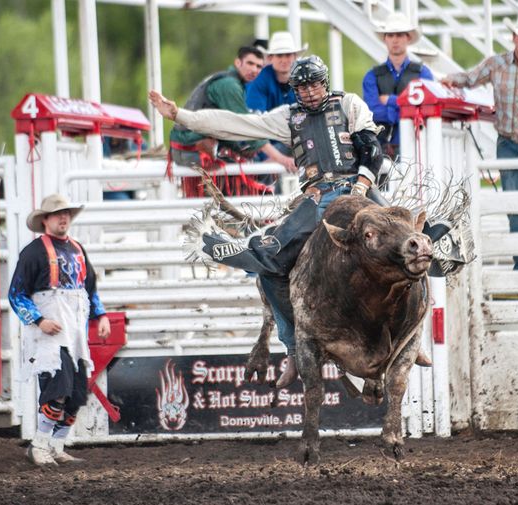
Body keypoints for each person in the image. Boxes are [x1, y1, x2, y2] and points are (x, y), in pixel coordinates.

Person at [150, 55, 433, 388]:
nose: (310, 92)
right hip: (318, 197)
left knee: (415, 244)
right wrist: (181, 115)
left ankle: (413, 338)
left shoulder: (348, 105)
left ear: (324, 83)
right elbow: (235, 123)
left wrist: (361, 186)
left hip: (359, 189)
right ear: (295, 90)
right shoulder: (289, 117)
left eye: (314, 84)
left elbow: (371, 147)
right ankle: (295, 348)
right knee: (269, 262)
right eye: (302, 87)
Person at [441, 12, 518, 270]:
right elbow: (471, 78)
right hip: (508, 142)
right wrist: (451, 79)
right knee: (514, 205)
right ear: (514, 37)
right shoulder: (497, 63)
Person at [9, 193, 111, 465]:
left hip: (74, 330)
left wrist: (100, 315)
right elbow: (16, 294)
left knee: (77, 392)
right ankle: (39, 444)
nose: (64, 217)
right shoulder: (33, 253)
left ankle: (56, 444)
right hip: (49, 332)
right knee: (58, 388)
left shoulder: (77, 249)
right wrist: (39, 319)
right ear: (46, 220)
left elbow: (89, 288)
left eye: (66, 213)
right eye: (58, 214)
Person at [170, 44, 292, 196]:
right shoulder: (230, 86)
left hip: (191, 147)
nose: (254, 69)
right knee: (242, 189)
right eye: (250, 63)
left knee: (237, 187)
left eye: (259, 66)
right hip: (195, 150)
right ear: (238, 63)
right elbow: (248, 128)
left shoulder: (229, 81)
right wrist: (282, 159)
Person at [362, 11, 433, 159]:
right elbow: (371, 112)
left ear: (408, 38)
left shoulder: (423, 73)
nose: (395, 40)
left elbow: (426, 108)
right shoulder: (371, 76)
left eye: (400, 35)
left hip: (417, 145)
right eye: (390, 35)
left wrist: (389, 101)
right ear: (385, 39)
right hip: (382, 148)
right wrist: (407, 106)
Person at [246, 31, 307, 176]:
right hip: (262, 148)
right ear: (270, 58)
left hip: (295, 142)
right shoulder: (259, 81)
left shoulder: (303, 80)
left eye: (288, 55)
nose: (284, 60)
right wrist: (276, 158)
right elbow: (254, 125)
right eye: (280, 55)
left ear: (294, 57)